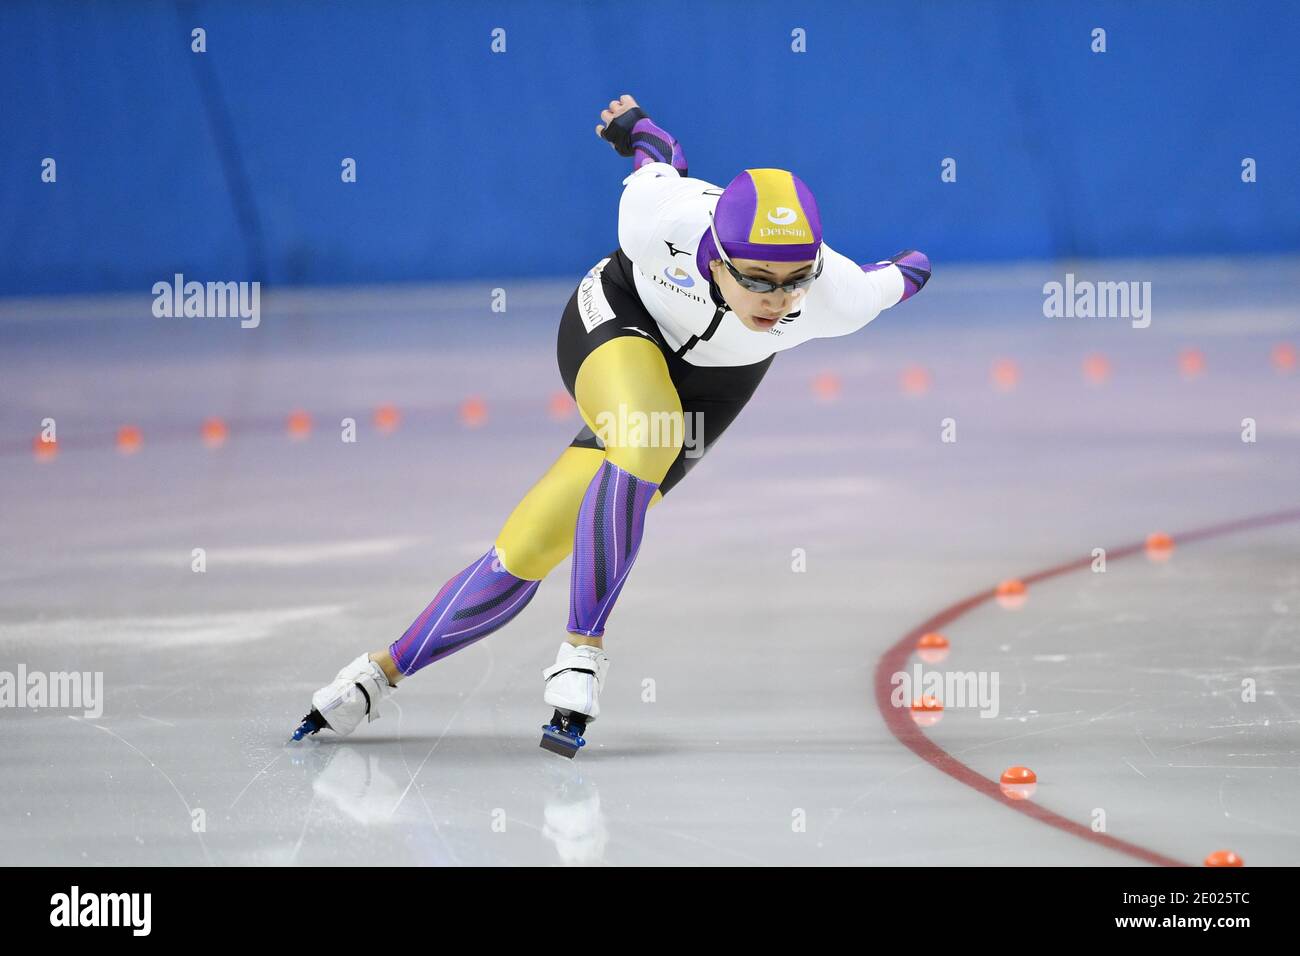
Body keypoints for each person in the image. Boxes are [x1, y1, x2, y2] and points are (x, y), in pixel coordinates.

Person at [293, 94, 930, 755]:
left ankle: (374, 674)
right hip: (621, 317)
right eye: (760, 280)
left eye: (795, 281)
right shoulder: (658, 220)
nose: (779, 300)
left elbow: (902, 275)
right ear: (714, 258)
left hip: (719, 385)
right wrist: (638, 131)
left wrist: (914, 268)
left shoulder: (835, 296)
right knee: (647, 431)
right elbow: (661, 162)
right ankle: (581, 655)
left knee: (529, 548)